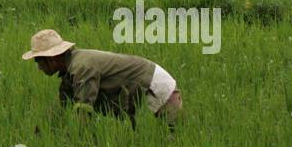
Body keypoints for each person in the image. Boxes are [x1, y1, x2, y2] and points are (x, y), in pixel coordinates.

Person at [22, 28, 182, 127]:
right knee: (144, 139)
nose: (39, 68)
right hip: (142, 87)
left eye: (39, 61)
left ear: (52, 58)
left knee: (173, 140)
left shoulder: (81, 67)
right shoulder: (69, 75)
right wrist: (43, 130)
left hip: (155, 85)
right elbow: (64, 108)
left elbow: (83, 110)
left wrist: (77, 146)